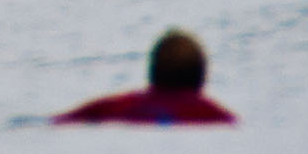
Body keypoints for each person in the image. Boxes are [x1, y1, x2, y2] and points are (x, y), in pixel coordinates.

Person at [52, 30, 237, 125]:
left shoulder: (114, 105)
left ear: (152, 72)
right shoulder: (217, 117)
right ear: (202, 76)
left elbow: (59, 121)